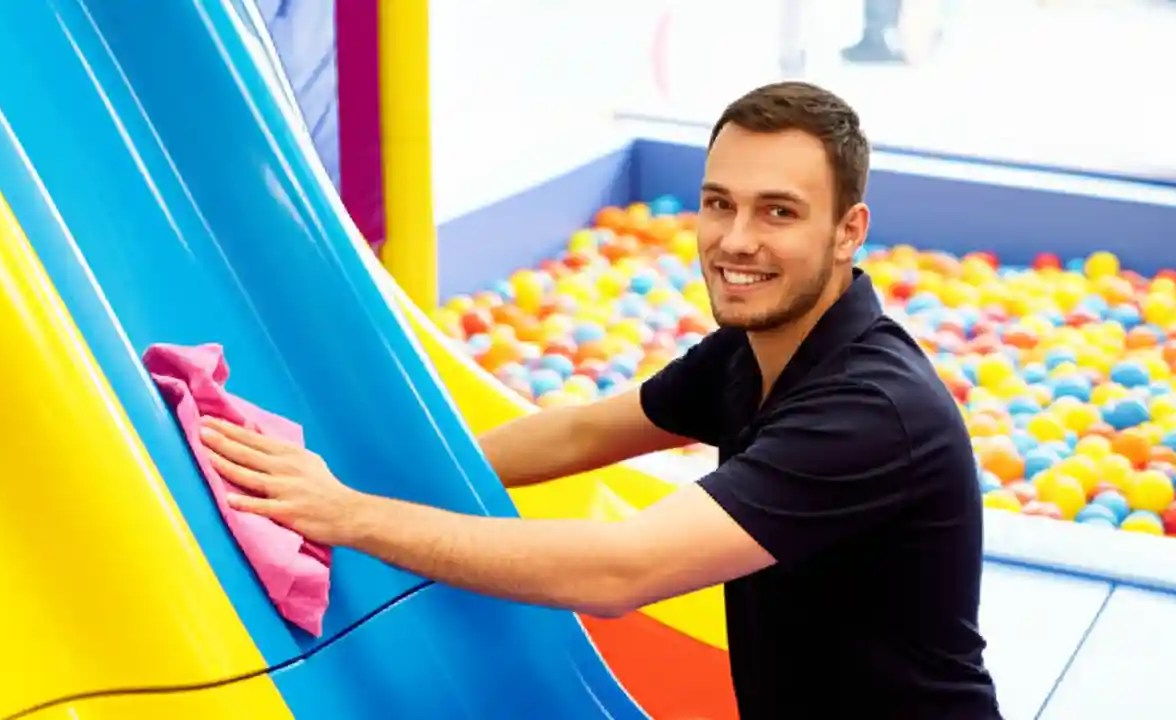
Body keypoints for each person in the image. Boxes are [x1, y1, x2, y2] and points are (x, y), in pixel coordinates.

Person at [198, 80, 1003, 719]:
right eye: (719, 202)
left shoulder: (869, 411)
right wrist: (344, 478)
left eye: (779, 212)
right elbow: (581, 432)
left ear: (848, 229)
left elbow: (622, 571)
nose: (736, 240)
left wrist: (349, 515)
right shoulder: (754, 352)